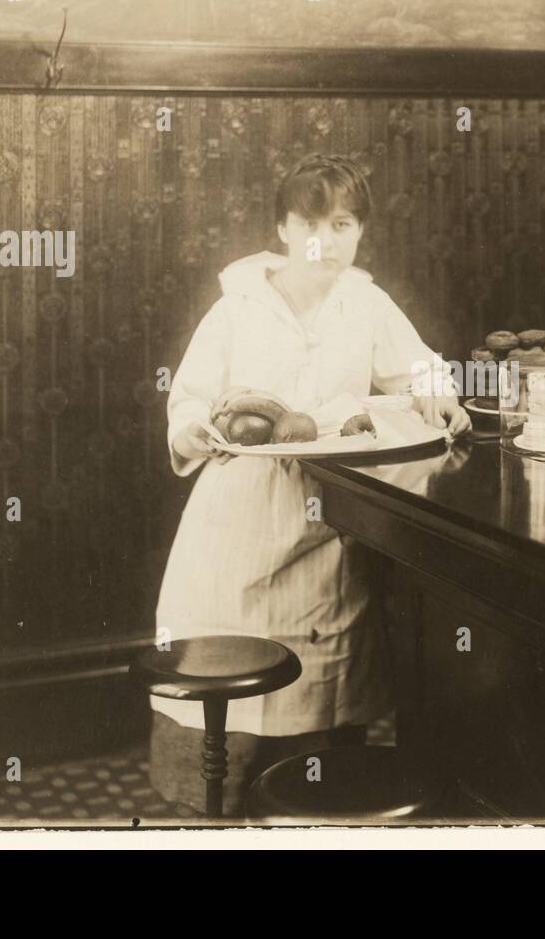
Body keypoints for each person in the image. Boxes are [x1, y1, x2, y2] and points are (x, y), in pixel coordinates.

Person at [148, 153, 471, 814]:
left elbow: (423, 371)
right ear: (284, 229)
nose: (328, 240)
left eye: (345, 223)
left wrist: (440, 397)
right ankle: (222, 804)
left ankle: (309, 807)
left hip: (324, 521)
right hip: (234, 525)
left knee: (315, 677)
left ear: (361, 232)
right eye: (312, 223)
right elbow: (188, 403)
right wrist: (199, 431)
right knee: (233, 670)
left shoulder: (366, 303)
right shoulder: (238, 308)